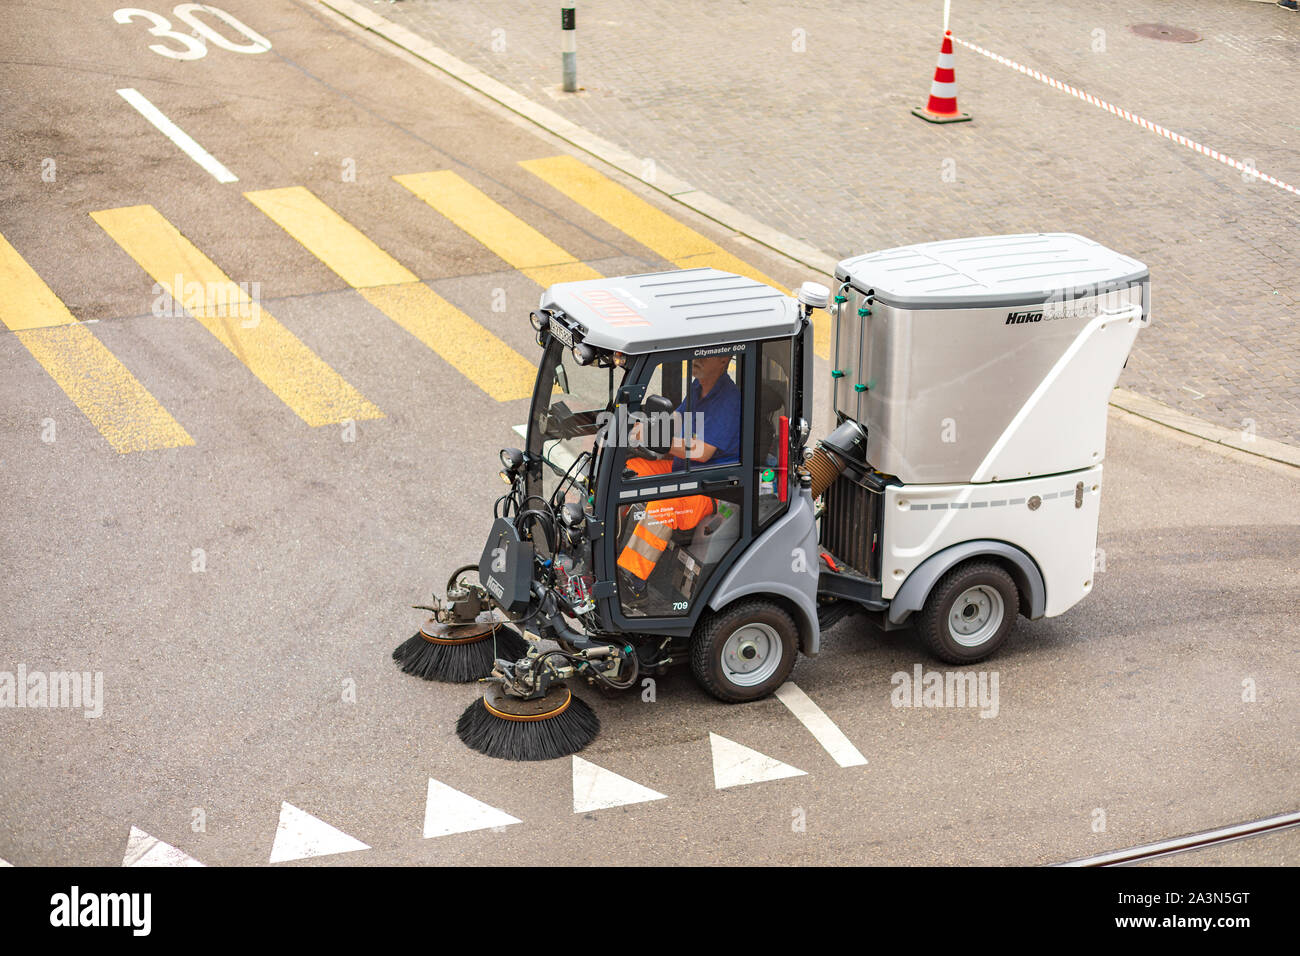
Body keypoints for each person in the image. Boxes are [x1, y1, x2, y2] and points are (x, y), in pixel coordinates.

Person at [616, 355, 742, 607]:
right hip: (685, 469)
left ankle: (634, 582)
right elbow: (677, 419)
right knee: (629, 470)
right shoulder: (699, 387)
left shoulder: (730, 401)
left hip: (711, 487)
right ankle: (608, 541)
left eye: (708, 355)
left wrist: (656, 439)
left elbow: (701, 451)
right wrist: (647, 426)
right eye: (699, 353)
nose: (698, 359)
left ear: (724, 360)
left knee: (664, 505)